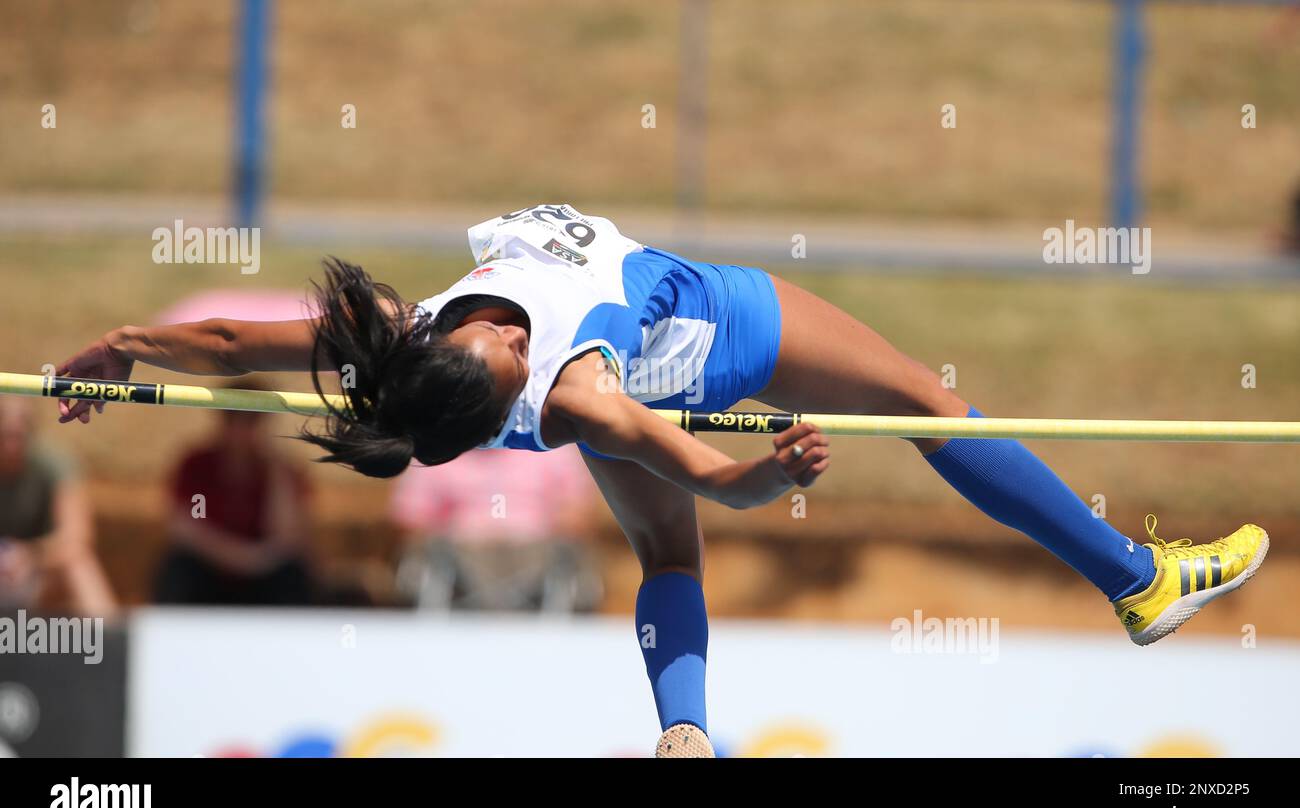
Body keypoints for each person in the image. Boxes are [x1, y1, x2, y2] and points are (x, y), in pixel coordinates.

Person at [53, 203, 1268, 757]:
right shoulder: (575, 388)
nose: (510, 336)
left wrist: (122, 343)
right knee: (928, 404)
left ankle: (682, 733)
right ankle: (1135, 580)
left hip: (633, 390)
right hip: (720, 334)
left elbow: (232, 342)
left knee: (665, 556)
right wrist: (771, 468)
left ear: (445, 344)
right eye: (512, 353)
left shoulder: (402, 338)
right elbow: (712, 479)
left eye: (498, 340)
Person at [154, 376, 316, 606]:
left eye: (252, 420)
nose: (242, 429)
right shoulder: (197, 465)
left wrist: (275, 471)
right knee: (179, 567)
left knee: (293, 572)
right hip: (210, 567)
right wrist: (240, 557)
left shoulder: (283, 470)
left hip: (265, 571)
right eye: (234, 418)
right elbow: (185, 529)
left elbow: (287, 535)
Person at [390, 445, 599, 612]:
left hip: (537, 558)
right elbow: (411, 518)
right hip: (458, 562)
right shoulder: (435, 450)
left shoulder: (552, 445)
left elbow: (577, 513)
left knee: (564, 553)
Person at [0, 396, 116, 617]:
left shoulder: (54, 464)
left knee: (78, 564)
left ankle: (108, 634)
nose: (11, 444)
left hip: (37, 576)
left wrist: (30, 557)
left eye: (19, 434)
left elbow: (77, 538)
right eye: (4, 434)